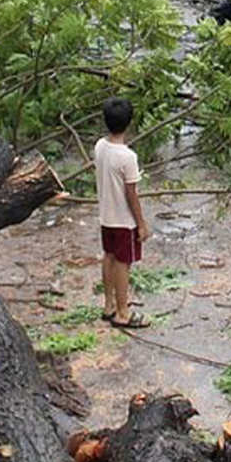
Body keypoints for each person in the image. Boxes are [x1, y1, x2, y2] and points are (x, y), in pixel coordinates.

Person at [94, 98, 149, 330]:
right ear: (129, 123)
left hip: (106, 216)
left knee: (109, 257)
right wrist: (141, 224)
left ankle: (109, 306)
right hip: (124, 222)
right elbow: (131, 194)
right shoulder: (128, 157)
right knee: (123, 264)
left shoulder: (99, 146)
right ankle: (123, 312)